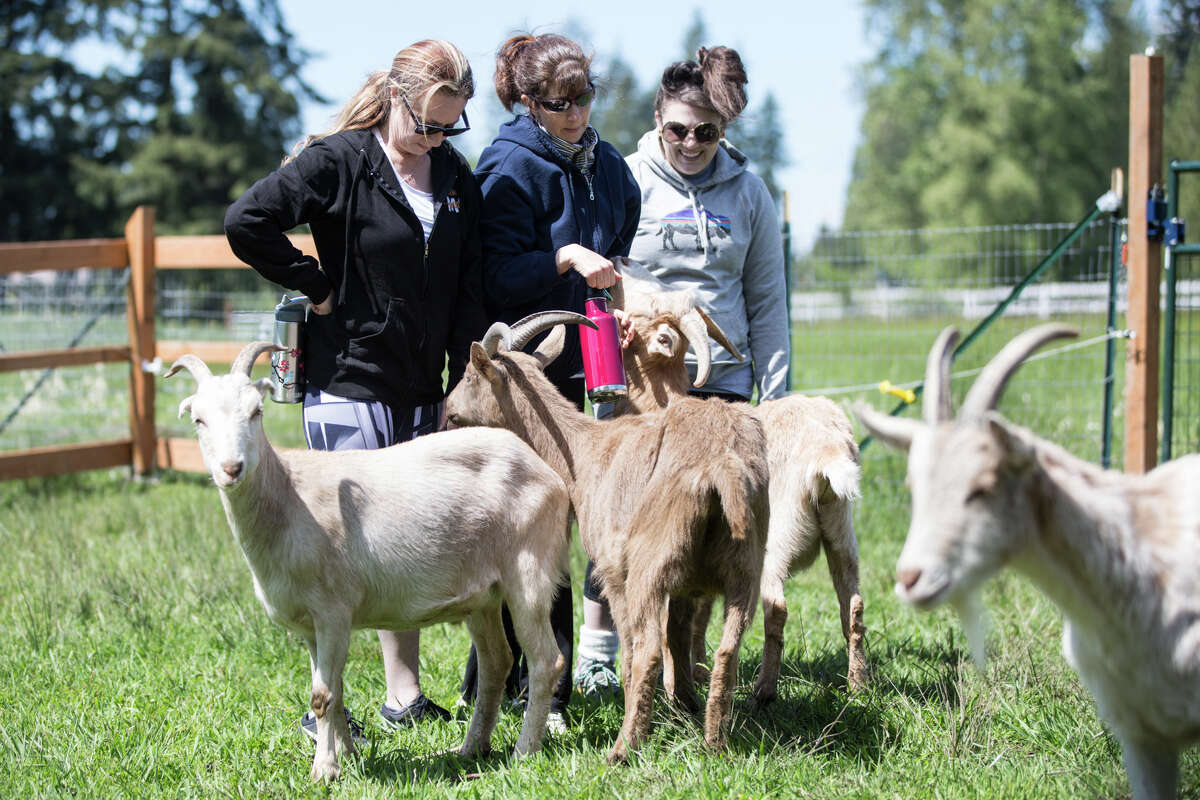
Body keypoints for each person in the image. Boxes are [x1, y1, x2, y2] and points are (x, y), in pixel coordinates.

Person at [223, 39, 487, 742]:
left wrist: (463, 380)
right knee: (338, 553)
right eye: (427, 123)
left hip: (423, 388)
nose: (437, 138)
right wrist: (314, 284)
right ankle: (326, 712)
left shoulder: (455, 178)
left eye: (450, 126)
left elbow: (466, 286)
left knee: (401, 544)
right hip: (348, 382)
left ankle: (404, 695)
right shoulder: (339, 160)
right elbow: (246, 221)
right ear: (396, 97)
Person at [577, 45, 791, 683]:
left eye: (707, 132)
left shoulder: (749, 193)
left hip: (722, 384)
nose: (691, 143)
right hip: (641, 384)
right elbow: (602, 277)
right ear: (657, 120)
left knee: (708, 527)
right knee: (622, 517)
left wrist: (775, 398)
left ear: (723, 130)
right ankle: (598, 654)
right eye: (678, 130)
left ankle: (686, 664)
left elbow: (767, 299)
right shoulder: (626, 180)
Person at [458, 32, 641, 727]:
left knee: (554, 520)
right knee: (540, 523)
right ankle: (549, 695)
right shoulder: (507, 166)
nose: (575, 115)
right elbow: (494, 275)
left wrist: (615, 289)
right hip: (525, 375)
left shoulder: (606, 163)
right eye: (559, 104)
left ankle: (493, 684)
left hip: (591, 359)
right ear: (529, 102)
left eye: (584, 98)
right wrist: (562, 257)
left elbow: (622, 232)